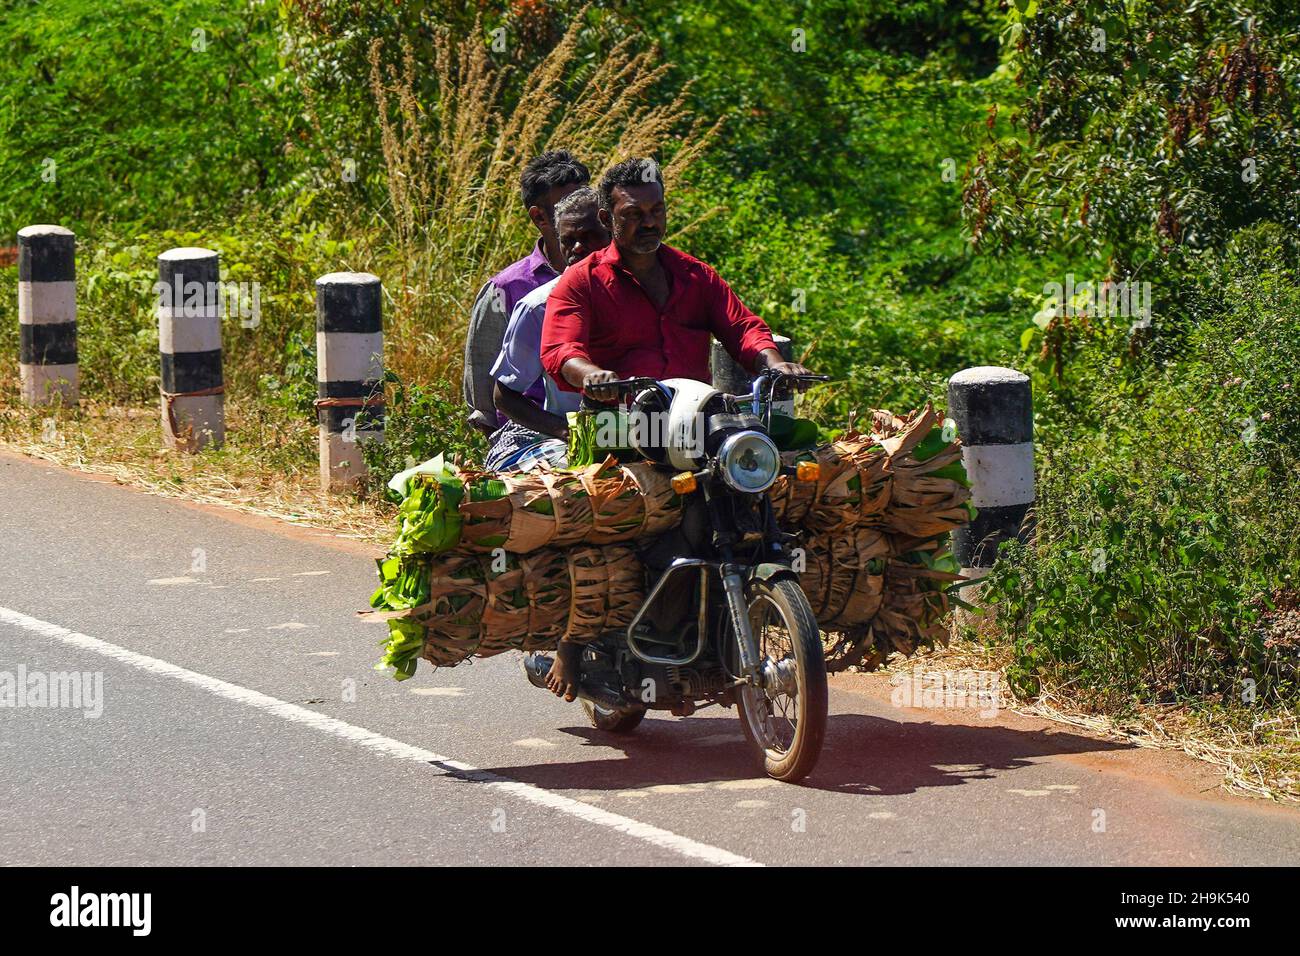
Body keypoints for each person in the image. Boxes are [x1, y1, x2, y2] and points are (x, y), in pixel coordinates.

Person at [537, 158, 811, 701]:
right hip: (620, 429)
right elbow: (559, 349)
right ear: (607, 216)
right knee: (615, 529)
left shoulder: (694, 276)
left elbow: (743, 327)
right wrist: (593, 377)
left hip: (697, 422)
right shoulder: (582, 281)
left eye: (657, 210)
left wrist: (774, 365)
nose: (649, 223)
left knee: (769, 489)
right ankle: (574, 643)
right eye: (634, 214)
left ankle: (755, 611)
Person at [463, 150, 590, 435]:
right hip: (532, 441)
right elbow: (484, 398)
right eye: (567, 206)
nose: (581, 214)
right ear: (539, 217)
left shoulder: (619, 278)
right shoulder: (507, 290)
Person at [485, 186, 611, 471]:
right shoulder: (539, 307)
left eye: (589, 236)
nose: (577, 249)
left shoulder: (649, 294)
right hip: (573, 443)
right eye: (568, 240)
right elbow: (504, 395)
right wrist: (568, 432)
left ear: (612, 234)